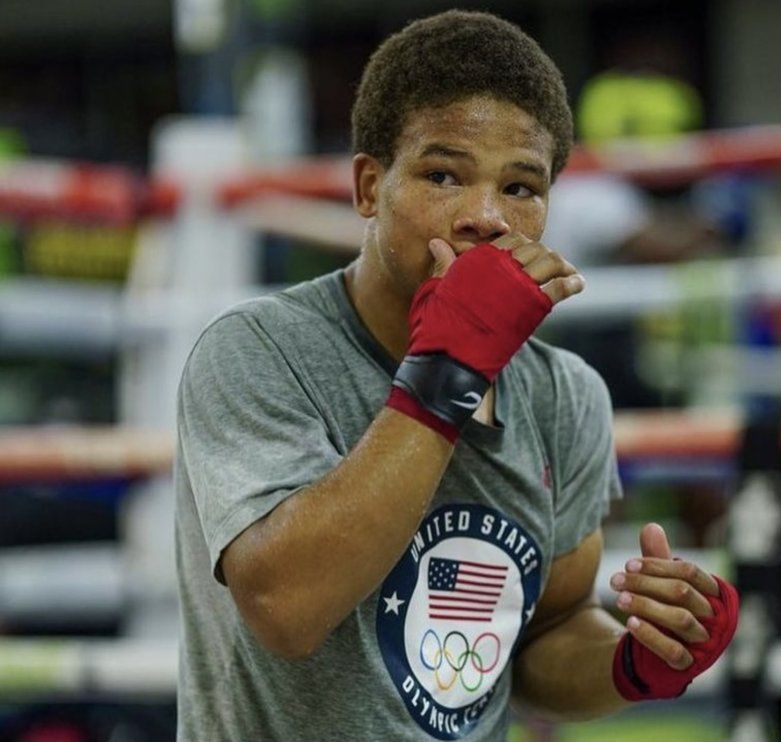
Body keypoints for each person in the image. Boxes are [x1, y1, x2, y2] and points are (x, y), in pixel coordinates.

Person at [174, 10, 738, 740]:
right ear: (369, 187)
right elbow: (286, 610)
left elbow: (546, 633)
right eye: (443, 175)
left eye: (521, 188)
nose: (485, 217)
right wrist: (448, 371)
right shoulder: (259, 351)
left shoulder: (565, 395)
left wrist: (635, 660)